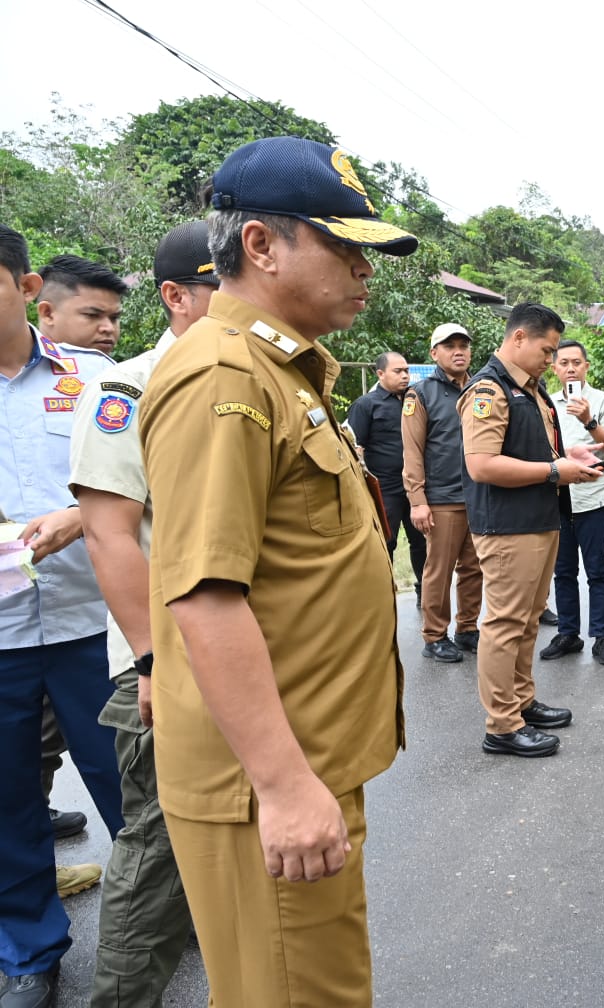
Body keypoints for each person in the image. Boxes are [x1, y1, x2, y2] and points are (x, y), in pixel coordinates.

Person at [138, 136, 415, 1007]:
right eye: (345, 244)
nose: (365, 268)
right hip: (267, 780)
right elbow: (205, 594)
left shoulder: (276, 368)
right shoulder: (224, 374)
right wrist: (286, 787)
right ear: (260, 245)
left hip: (299, 758)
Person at [68, 219, 216, 1006]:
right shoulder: (129, 387)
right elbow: (110, 533)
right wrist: (155, 661)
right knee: (154, 850)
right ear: (176, 297)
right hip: (165, 664)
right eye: (217, 291)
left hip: (240, 657)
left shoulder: (241, 378)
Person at [0, 225, 126, 1008]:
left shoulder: (92, 378)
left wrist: (77, 516)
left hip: (93, 623)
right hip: (1, 639)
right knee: (9, 798)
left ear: (23, 285)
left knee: (130, 780)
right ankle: (30, 950)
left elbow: (140, 478)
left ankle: (166, 913)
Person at [458, 303, 595, 759]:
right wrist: (555, 472)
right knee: (504, 624)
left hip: (538, 520)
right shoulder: (489, 390)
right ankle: (501, 724)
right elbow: (482, 465)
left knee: (528, 620)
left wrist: (565, 455)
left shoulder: (531, 390)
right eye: (547, 350)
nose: (552, 361)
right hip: (508, 527)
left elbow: (531, 447)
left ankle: (521, 701)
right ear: (518, 338)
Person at [539, 340, 604, 666]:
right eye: (564, 363)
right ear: (555, 368)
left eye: (577, 362)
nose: (571, 368)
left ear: (587, 366)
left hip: (593, 497)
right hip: (556, 497)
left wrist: (589, 419)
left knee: (597, 570)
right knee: (562, 571)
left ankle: (602, 637)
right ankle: (569, 633)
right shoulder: (544, 403)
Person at [403, 323, 483, 662]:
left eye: (463, 344)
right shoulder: (420, 394)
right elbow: (412, 450)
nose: (459, 351)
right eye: (449, 345)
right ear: (434, 353)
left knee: (474, 568)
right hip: (441, 498)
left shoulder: (481, 388)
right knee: (439, 568)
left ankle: (467, 629)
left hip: (478, 496)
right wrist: (417, 501)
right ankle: (435, 635)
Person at [349, 351, 426, 608]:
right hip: (386, 489)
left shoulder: (415, 399)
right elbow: (354, 446)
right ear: (380, 374)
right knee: (387, 543)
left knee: (421, 541)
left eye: (406, 370)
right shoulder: (366, 405)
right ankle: (383, 597)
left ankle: (424, 592)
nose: (405, 375)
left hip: (416, 486)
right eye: (397, 371)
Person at [35, 255, 129, 357]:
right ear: (48, 314)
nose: (109, 328)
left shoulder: (125, 372)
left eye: (114, 318)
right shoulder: (21, 371)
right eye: (92, 315)